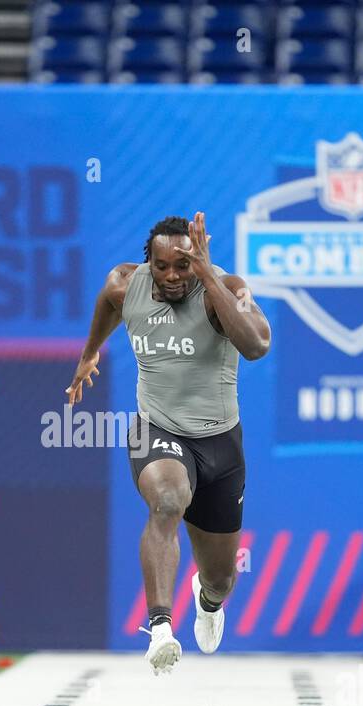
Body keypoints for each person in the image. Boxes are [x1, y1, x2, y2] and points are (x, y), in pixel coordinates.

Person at [65, 212, 270, 675]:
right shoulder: (126, 283)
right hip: (157, 429)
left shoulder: (225, 286)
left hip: (220, 444)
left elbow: (257, 345)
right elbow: (107, 305)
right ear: (149, 264)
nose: (174, 276)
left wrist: (208, 275)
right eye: (164, 267)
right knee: (167, 501)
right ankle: (160, 628)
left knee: (221, 577)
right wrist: (89, 353)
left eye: (184, 265)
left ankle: (208, 600)